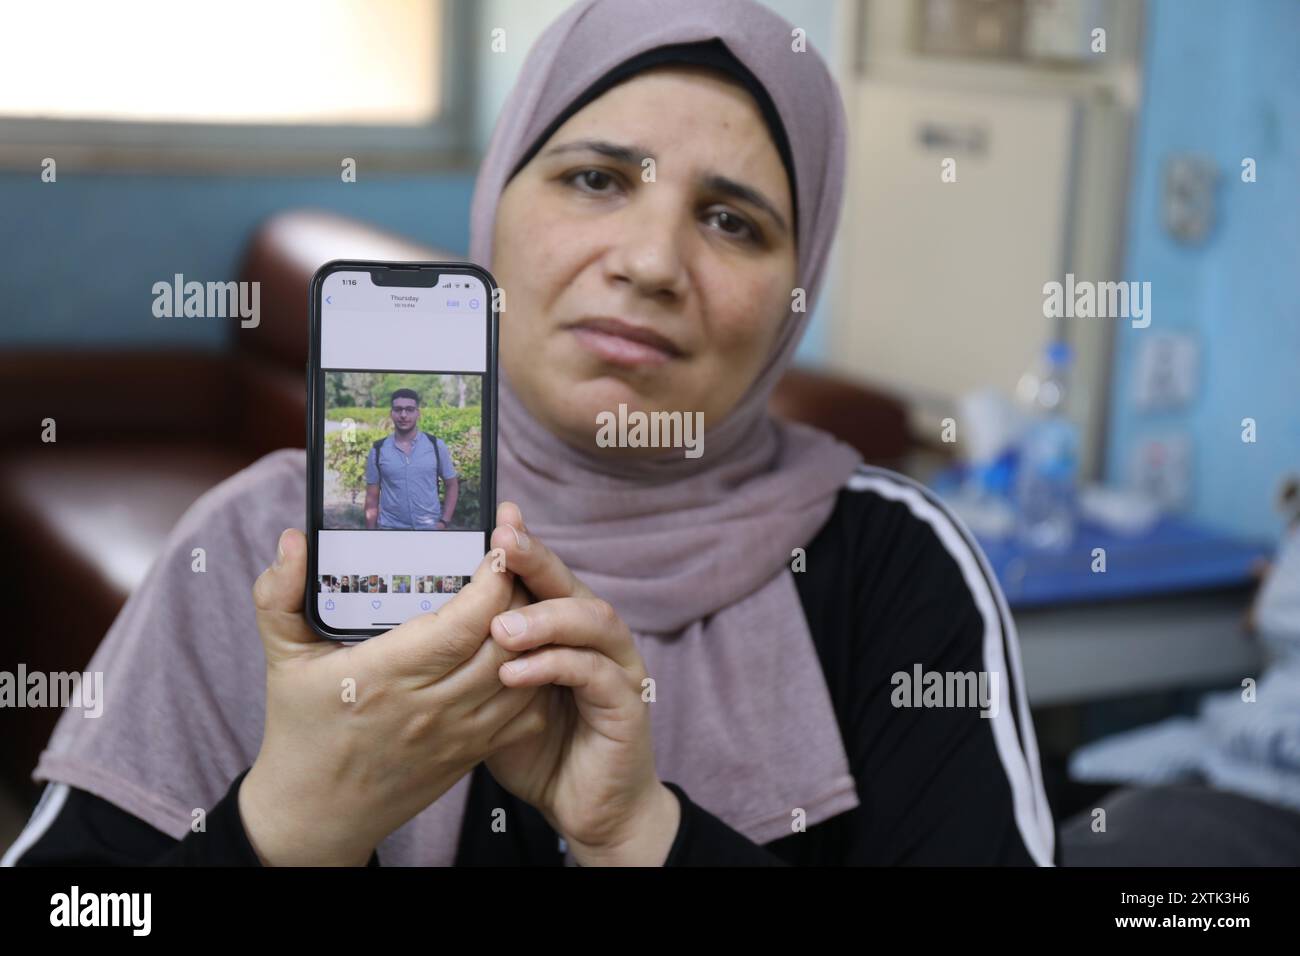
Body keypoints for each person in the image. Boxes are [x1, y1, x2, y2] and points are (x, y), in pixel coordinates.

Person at [4, 0, 1053, 867]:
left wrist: (646, 835)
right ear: (493, 203)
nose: (649, 261)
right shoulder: (266, 545)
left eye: (732, 220)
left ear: (799, 285)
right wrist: (283, 829)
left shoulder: (892, 565)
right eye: (595, 178)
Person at [364, 389, 459, 530]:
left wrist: (444, 522)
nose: (403, 415)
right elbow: (372, 497)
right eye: (398, 409)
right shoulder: (378, 450)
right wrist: (370, 534)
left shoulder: (436, 446)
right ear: (391, 413)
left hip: (429, 529)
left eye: (409, 409)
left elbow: (452, 484)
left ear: (418, 413)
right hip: (391, 529)